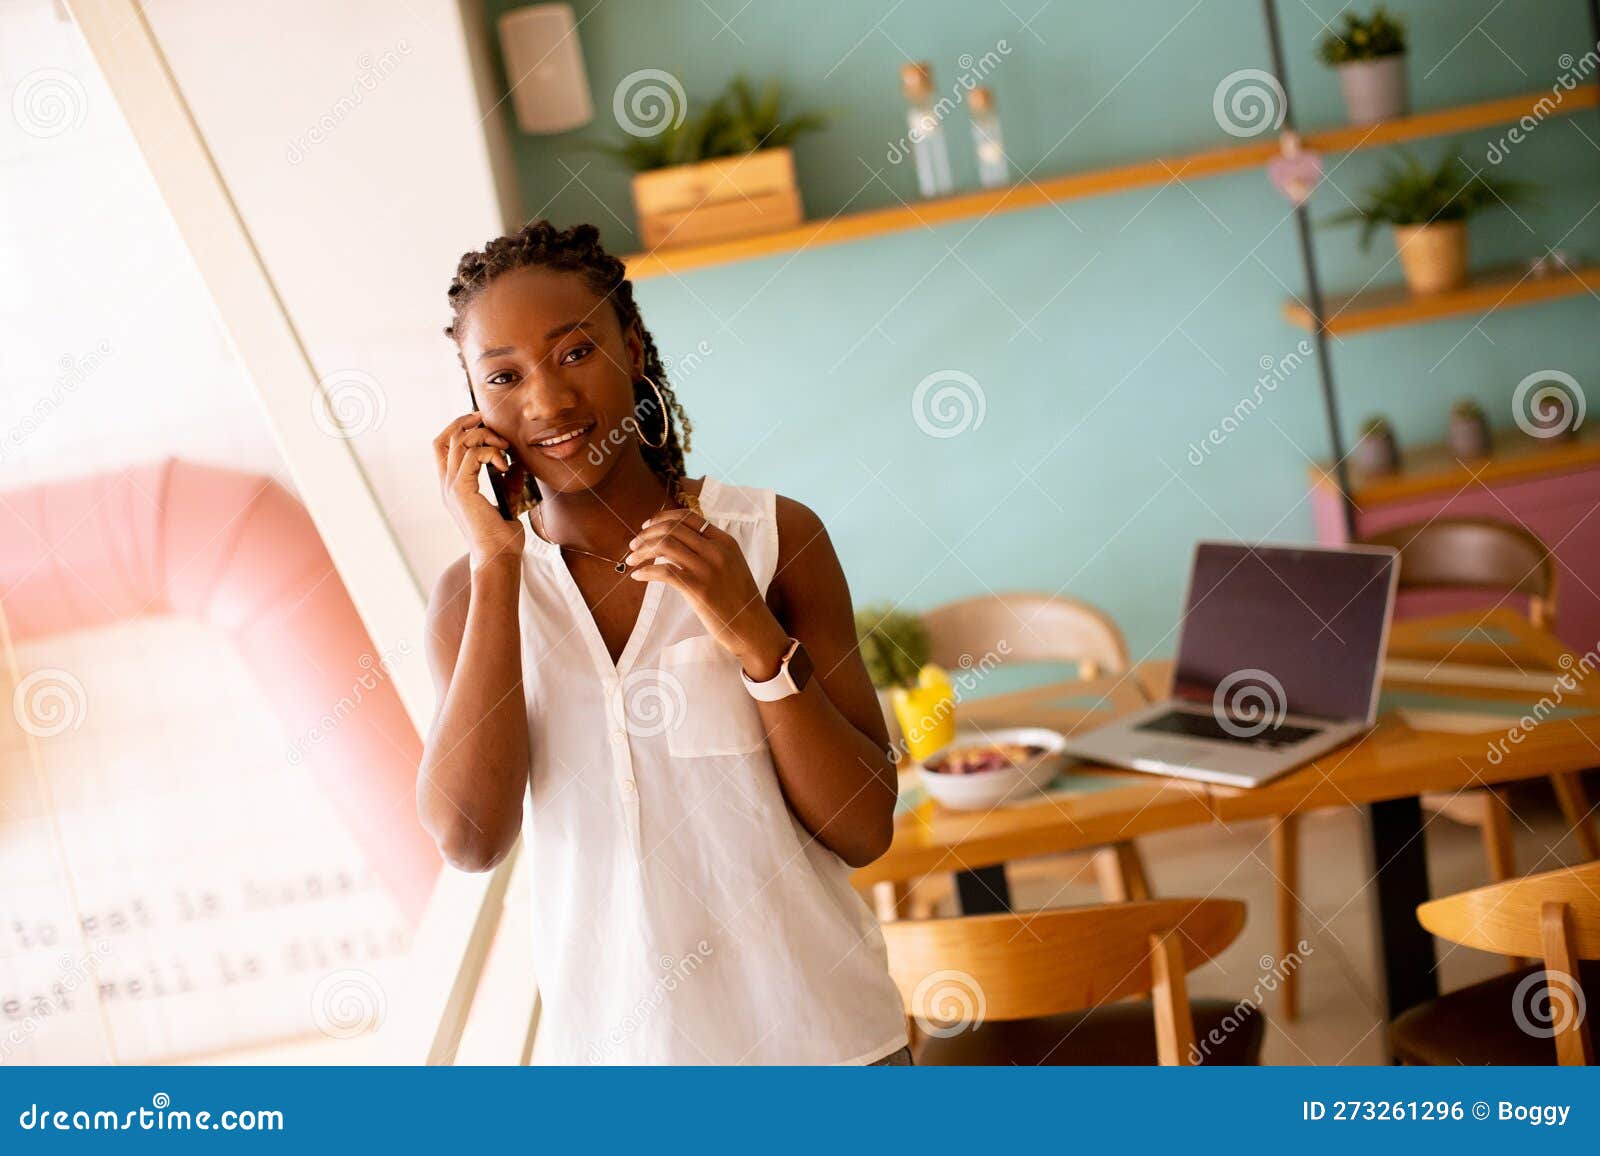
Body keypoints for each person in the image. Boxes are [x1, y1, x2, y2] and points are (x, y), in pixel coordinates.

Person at [418, 220, 912, 1065]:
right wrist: (498, 561)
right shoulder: (474, 594)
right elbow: (469, 838)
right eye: (504, 376)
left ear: (633, 349)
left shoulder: (774, 537)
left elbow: (865, 829)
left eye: (575, 353)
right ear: (474, 408)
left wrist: (752, 634)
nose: (547, 401)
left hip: (830, 1047)